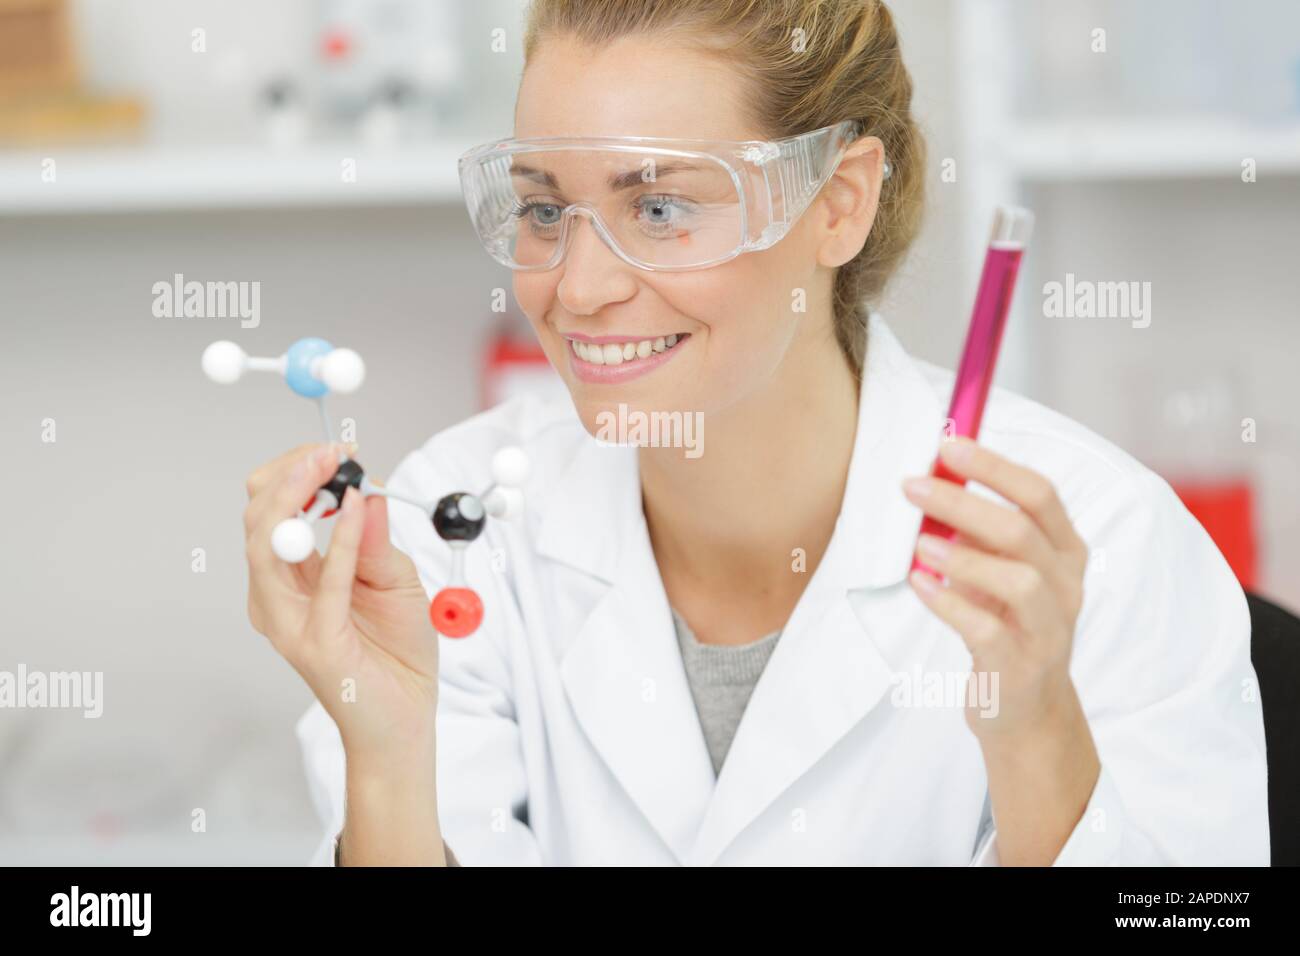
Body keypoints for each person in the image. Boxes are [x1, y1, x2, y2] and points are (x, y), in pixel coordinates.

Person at [245, 0, 1269, 865]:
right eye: (545, 210)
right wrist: (383, 755)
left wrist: (1037, 728)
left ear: (836, 203)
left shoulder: (1109, 545)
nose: (578, 287)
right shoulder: (454, 530)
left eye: (657, 208)